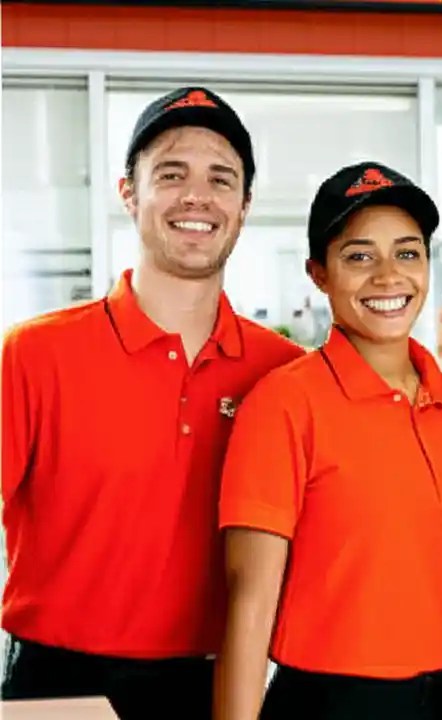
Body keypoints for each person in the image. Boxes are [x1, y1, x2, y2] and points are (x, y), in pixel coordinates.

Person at [0, 86, 302, 718]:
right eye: (171, 174)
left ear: (244, 206)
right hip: (59, 685)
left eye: (221, 179)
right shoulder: (34, 353)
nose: (197, 196)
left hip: (213, 686)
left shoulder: (282, 373)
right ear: (129, 194)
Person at [214, 162, 442, 720]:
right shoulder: (283, 404)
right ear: (319, 273)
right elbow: (250, 603)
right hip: (333, 702)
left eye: (408, 253)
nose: (389, 276)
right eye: (359, 257)